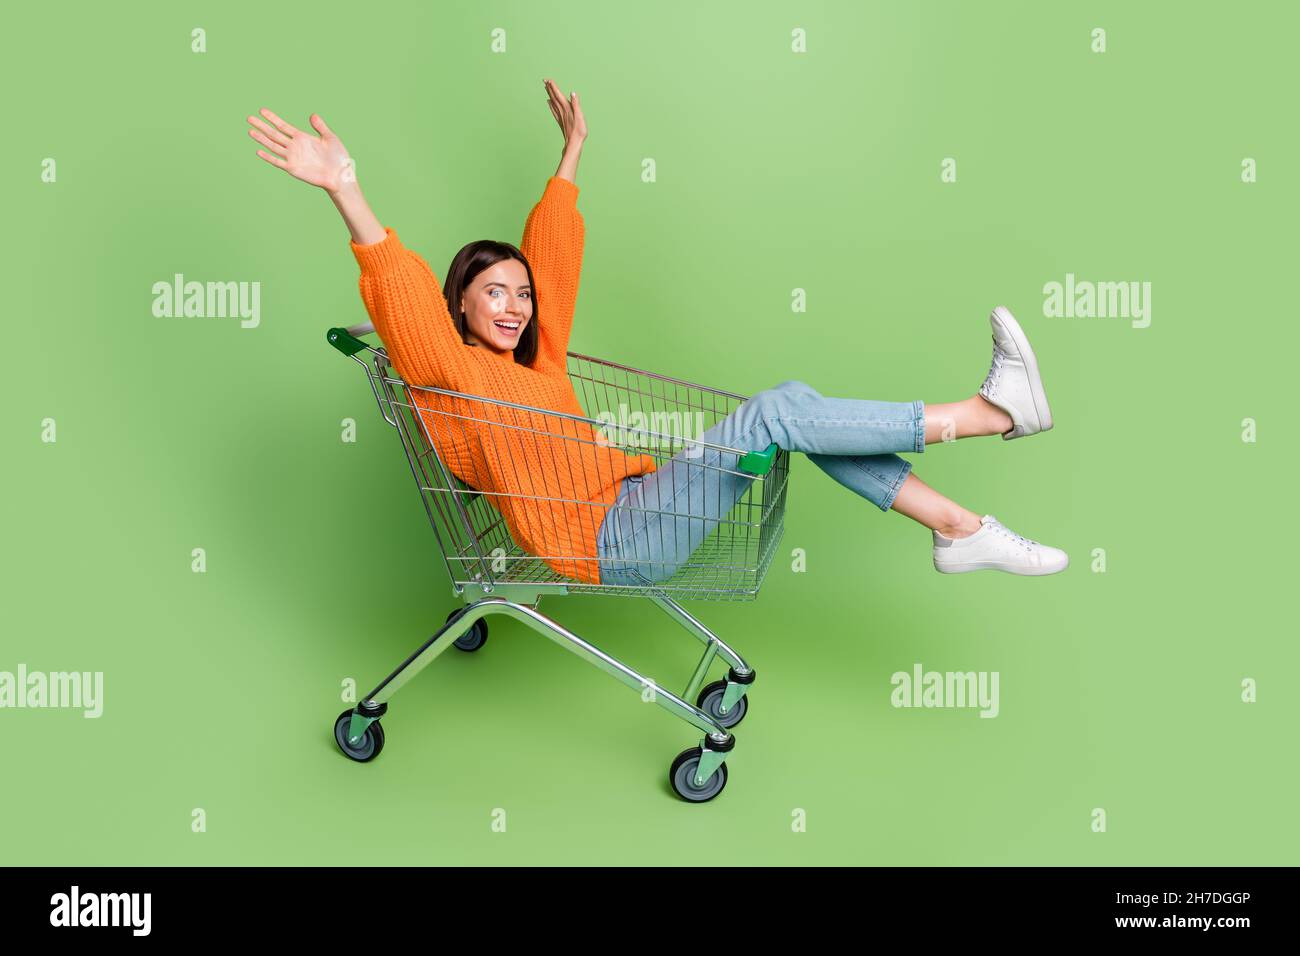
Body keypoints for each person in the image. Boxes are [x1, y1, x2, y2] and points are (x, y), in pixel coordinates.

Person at [246, 78, 1068, 588]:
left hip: (634, 501)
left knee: (795, 417)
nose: (514, 306)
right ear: (457, 305)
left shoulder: (539, 362)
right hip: (609, 540)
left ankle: (961, 532)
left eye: (519, 295)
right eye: (491, 293)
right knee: (781, 410)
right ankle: (989, 415)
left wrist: (570, 153)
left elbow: (555, 262)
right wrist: (346, 191)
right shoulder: (448, 372)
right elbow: (405, 305)